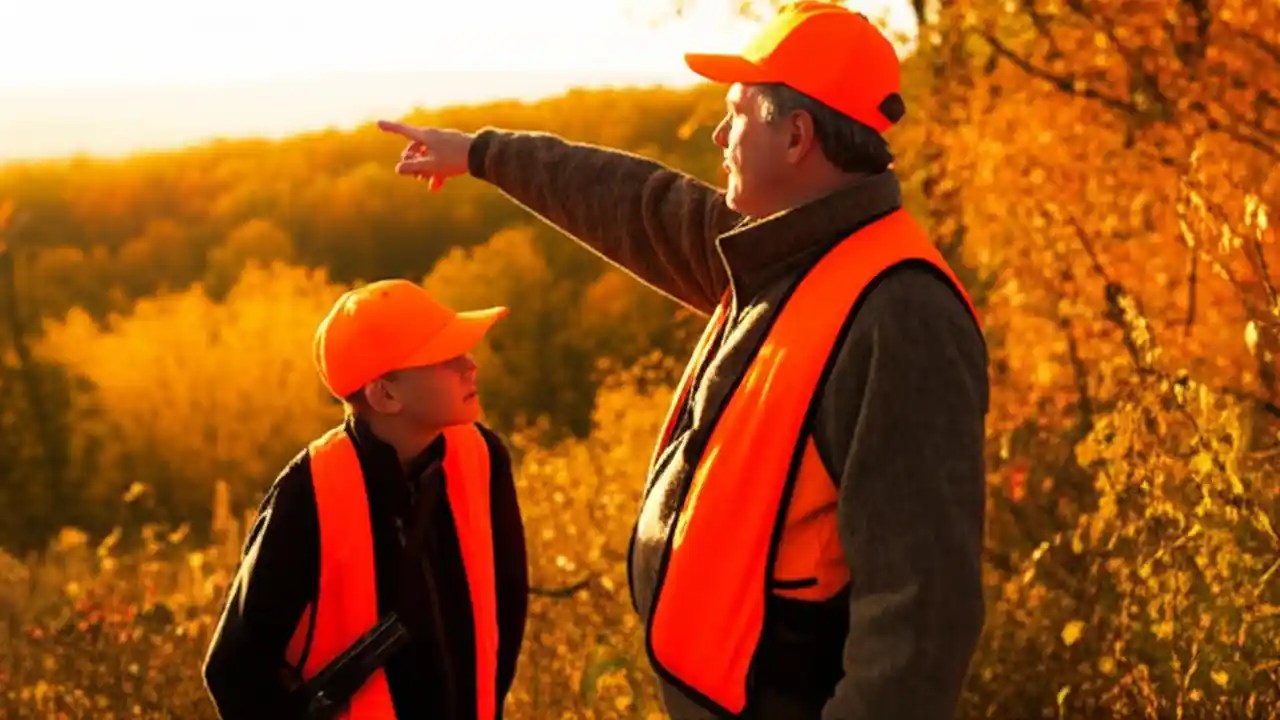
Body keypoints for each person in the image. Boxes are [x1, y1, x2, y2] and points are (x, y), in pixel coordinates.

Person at [378, 2, 989, 717]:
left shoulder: (901, 313)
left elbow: (920, 622)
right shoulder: (782, 253)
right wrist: (483, 154)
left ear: (796, 135)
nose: (718, 134)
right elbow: (635, 204)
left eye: (736, 114)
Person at [202, 279, 529, 719]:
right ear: (385, 394)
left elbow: (507, 615)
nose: (470, 365)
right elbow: (235, 671)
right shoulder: (308, 494)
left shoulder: (485, 457)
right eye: (446, 358)